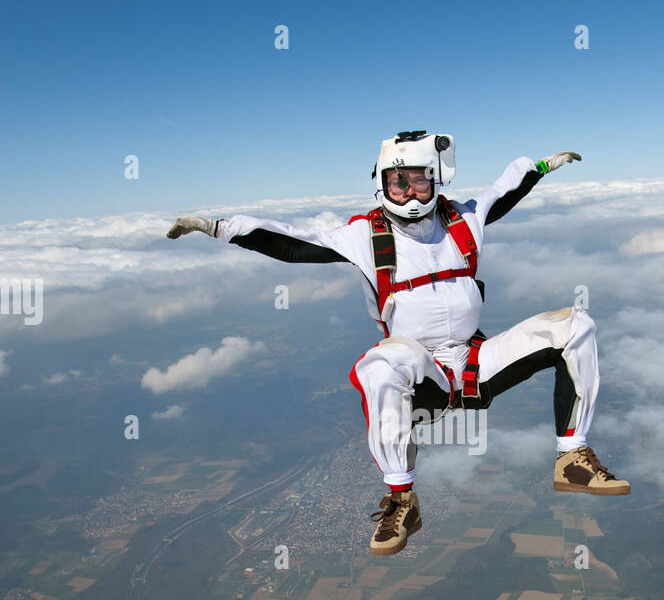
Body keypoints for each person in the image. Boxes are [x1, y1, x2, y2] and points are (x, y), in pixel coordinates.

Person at [167, 130, 629, 556]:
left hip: (476, 363)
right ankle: (401, 499)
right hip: (420, 371)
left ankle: (572, 458)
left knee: (575, 324)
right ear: (381, 184)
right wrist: (218, 227)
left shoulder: (463, 219)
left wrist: (542, 167)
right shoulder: (365, 235)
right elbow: (292, 243)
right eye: (396, 182)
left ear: (436, 179)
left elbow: (505, 189)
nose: (408, 192)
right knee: (380, 364)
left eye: (418, 182)